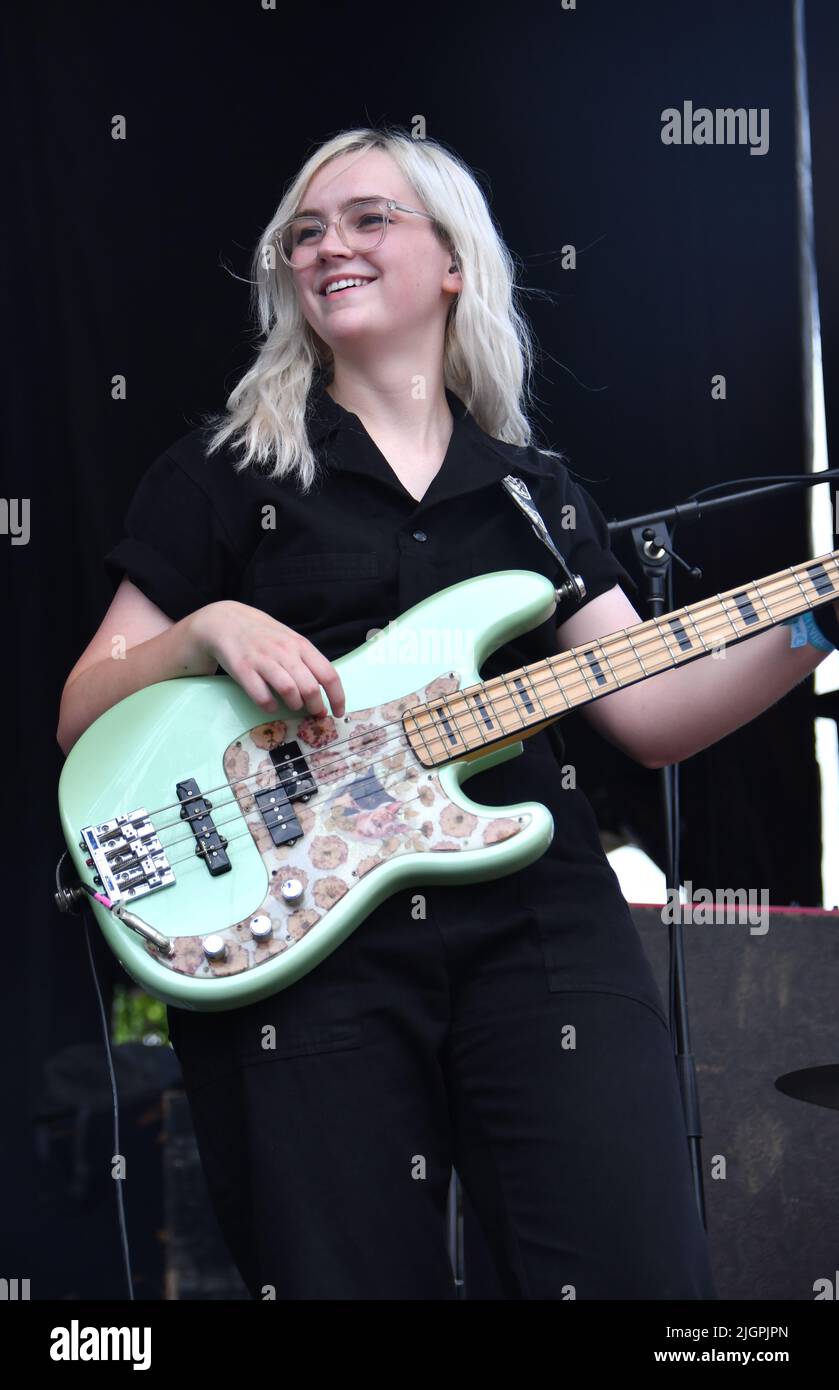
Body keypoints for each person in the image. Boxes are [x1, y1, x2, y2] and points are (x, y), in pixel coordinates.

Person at [57, 125, 839, 1301]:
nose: (330, 246)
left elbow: (652, 710)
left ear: (454, 262)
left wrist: (816, 623)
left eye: (370, 218)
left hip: (539, 931)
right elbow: (82, 706)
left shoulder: (532, 499)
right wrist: (203, 630)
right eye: (305, 232)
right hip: (304, 957)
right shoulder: (226, 473)